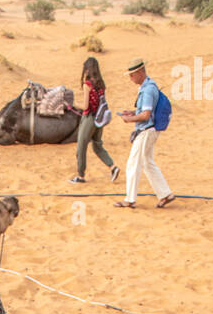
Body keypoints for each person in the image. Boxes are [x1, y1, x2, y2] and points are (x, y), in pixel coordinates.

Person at [115, 59, 175, 210]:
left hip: (146, 130)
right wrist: (134, 112)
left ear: (140, 72)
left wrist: (130, 119)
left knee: (133, 164)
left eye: (132, 75)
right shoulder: (148, 86)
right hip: (150, 130)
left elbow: (146, 115)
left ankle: (130, 199)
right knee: (148, 163)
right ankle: (165, 194)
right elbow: (146, 111)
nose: (130, 78)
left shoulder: (147, 89)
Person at [70, 57, 119, 185]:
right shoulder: (100, 84)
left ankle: (80, 176)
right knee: (97, 146)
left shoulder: (88, 85)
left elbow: (86, 106)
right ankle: (112, 166)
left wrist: (74, 105)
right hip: (100, 118)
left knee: (81, 146)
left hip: (89, 118)